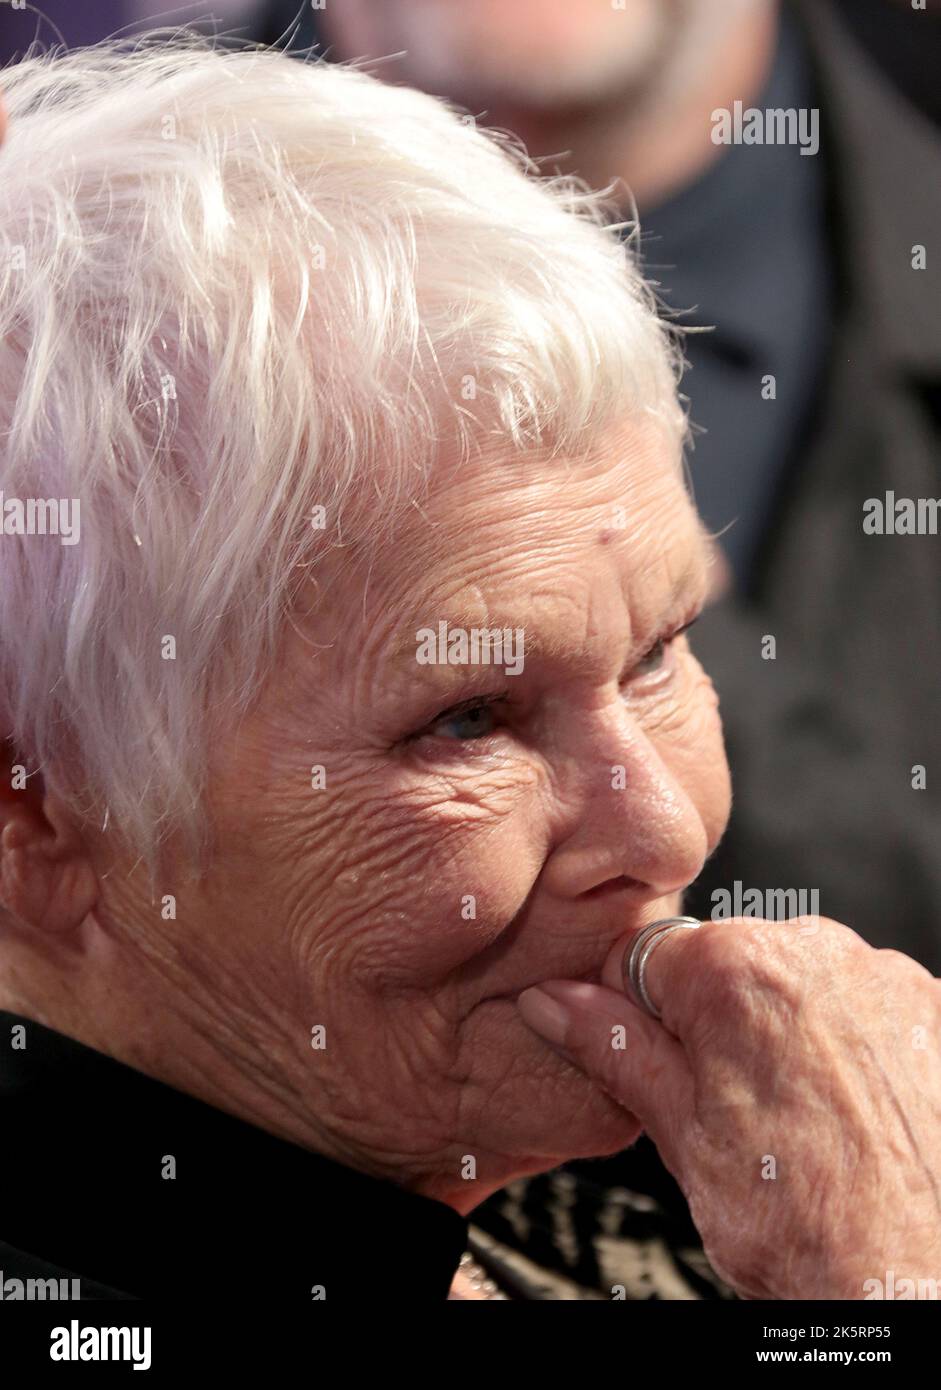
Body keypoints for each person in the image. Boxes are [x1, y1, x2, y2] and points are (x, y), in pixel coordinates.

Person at [0, 38, 939, 1302]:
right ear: (33, 811)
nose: (662, 826)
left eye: (660, 650)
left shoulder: (671, 1183)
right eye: (467, 722)